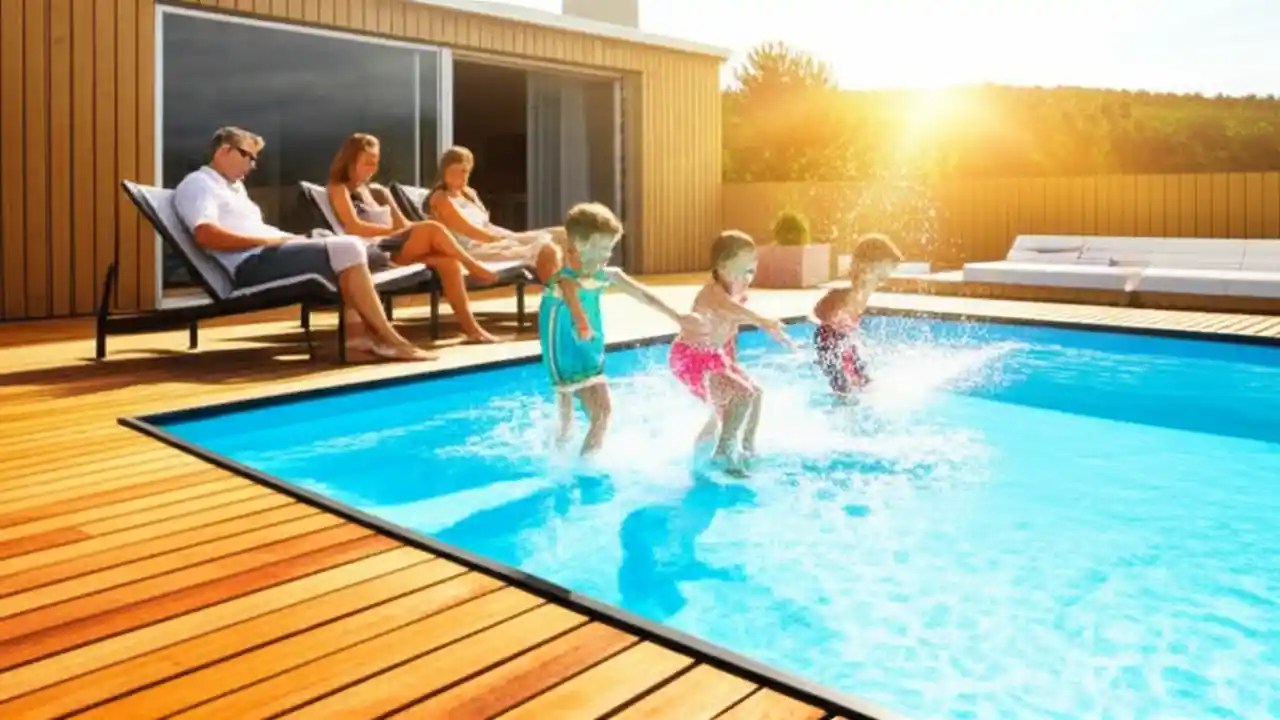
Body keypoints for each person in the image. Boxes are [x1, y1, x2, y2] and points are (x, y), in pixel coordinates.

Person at [173, 126, 433, 362]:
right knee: (349, 248)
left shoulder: (234, 188)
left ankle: (357, 342)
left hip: (270, 251)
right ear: (225, 150)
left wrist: (290, 238)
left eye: (255, 159)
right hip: (252, 263)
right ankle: (392, 340)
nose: (252, 165)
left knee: (347, 247)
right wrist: (269, 240)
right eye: (248, 156)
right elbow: (206, 234)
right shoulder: (199, 184)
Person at [535, 202, 704, 457]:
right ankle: (585, 468)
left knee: (574, 418)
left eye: (610, 248)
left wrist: (677, 316)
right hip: (565, 347)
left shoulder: (606, 275)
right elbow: (569, 289)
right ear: (580, 246)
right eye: (603, 247)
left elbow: (641, 294)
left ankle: (564, 459)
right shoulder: (564, 279)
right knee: (600, 411)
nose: (607, 255)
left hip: (587, 345)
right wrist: (581, 321)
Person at [326, 133, 506, 343]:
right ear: (350, 160)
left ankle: (473, 329)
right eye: (367, 162)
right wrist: (398, 232)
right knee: (431, 228)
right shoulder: (339, 189)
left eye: (375, 162)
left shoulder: (377, 191)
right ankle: (474, 266)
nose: (372, 168)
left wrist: (422, 230)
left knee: (450, 263)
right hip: (374, 254)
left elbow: (403, 224)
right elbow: (353, 227)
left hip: (399, 249)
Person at [669, 231, 795, 475]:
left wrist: (732, 367)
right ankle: (723, 453)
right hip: (690, 358)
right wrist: (764, 321)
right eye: (742, 270)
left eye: (751, 271)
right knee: (740, 396)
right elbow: (730, 309)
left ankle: (746, 447)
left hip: (713, 358)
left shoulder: (738, 296)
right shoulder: (712, 293)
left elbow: (729, 335)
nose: (748, 277)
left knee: (754, 393)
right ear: (723, 267)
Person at [426, 145, 558, 265]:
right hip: (471, 250)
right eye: (460, 170)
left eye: (467, 171)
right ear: (445, 170)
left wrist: (510, 236)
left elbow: (487, 225)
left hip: (488, 240)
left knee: (555, 236)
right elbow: (467, 230)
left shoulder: (469, 194)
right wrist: (498, 240)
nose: (464, 176)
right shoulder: (440, 198)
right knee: (543, 250)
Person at [811, 233, 903, 399]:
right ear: (873, 264)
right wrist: (834, 318)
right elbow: (818, 311)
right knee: (844, 387)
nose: (890, 272)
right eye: (888, 265)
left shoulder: (867, 287)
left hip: (845, 340)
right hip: (829, 341)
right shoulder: (856, 288)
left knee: (866, 382)